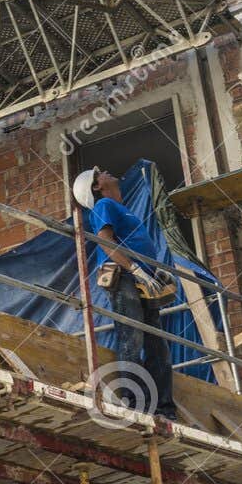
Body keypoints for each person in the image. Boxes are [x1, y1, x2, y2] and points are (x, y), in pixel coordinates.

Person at [72, 165, 177, 418]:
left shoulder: (122, 209)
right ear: (97, 187)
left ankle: (164, 408)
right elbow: (105, 241)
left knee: (158, 346)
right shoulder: (103, 205)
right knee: (132, 337)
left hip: (143, 279)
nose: (106, 171)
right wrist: (136, 269)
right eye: (100, 173)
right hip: (124, 277)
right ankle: (135, 404)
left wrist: (151, 271)